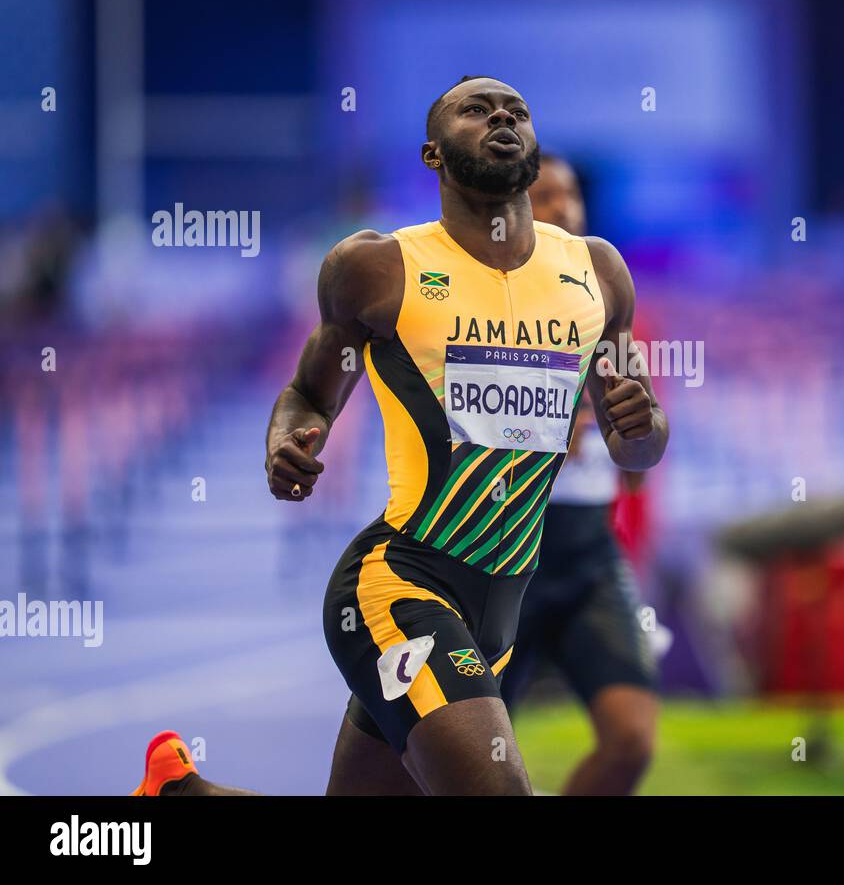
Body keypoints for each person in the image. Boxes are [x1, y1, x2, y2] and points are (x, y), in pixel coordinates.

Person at [133, 76, 668, 796]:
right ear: (432, 153)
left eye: (517, 112)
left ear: (535, 154)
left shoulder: (597, 273)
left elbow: (638, 442)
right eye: (476, 111)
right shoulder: (379, 269)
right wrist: (287, 442)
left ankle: (179, 795)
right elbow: (307, 394)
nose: (501, 119)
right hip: (402, 583)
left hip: (502, 605)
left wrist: (641, 429)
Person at [499, 154, 659, 795]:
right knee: (464, 774)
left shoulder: (603, 304)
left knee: (631, 742)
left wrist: (639, 431)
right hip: (501, 553)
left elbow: (643, 456)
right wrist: (540, 429)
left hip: (589, 551)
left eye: (572, 198)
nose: (565, 209)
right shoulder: (481, 303)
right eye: (547, 197)